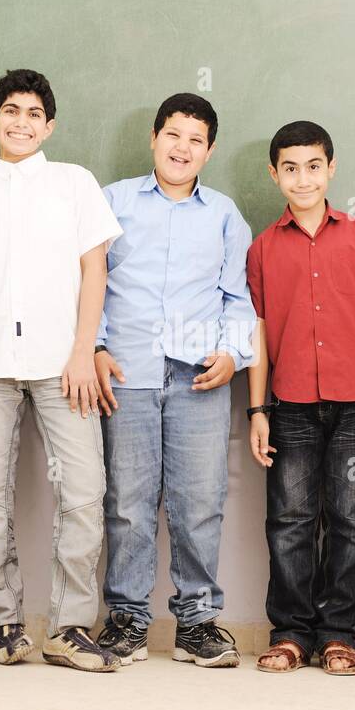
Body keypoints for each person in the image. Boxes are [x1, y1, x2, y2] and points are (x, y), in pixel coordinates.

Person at [0, 69, 124, 672]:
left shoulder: (74, 185)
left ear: (50, 125)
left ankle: (70, 626)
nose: (21, 122)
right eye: (10, 111)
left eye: (34, 113)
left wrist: (81, 350)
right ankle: (1, 624)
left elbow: (94, 271)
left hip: (61, 364)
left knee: (85, 491)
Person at [93, 93, 255, 667]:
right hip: (128, 370)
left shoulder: (225, 215)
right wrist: (95, 346)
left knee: (199, 501)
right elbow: (88, 283)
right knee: (129, 502)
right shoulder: (112, 203)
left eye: (195, 140)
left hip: (199, 379)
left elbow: (239, 298)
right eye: (173, 135)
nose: (182, 147)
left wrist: (235, 355)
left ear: (208, 152)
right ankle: (128, 620)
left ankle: (197, 623)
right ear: (154, 138)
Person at [246, 120, 355, 675]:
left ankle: (339, 633)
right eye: (290, 168)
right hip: (288, 405)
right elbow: (259, 332)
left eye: (313, 166)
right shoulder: (263, 248)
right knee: (289, 520)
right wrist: (258, 409)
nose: (303, 178)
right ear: (275, 174)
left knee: (351, 520)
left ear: (331, 169)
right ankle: (291, 632)